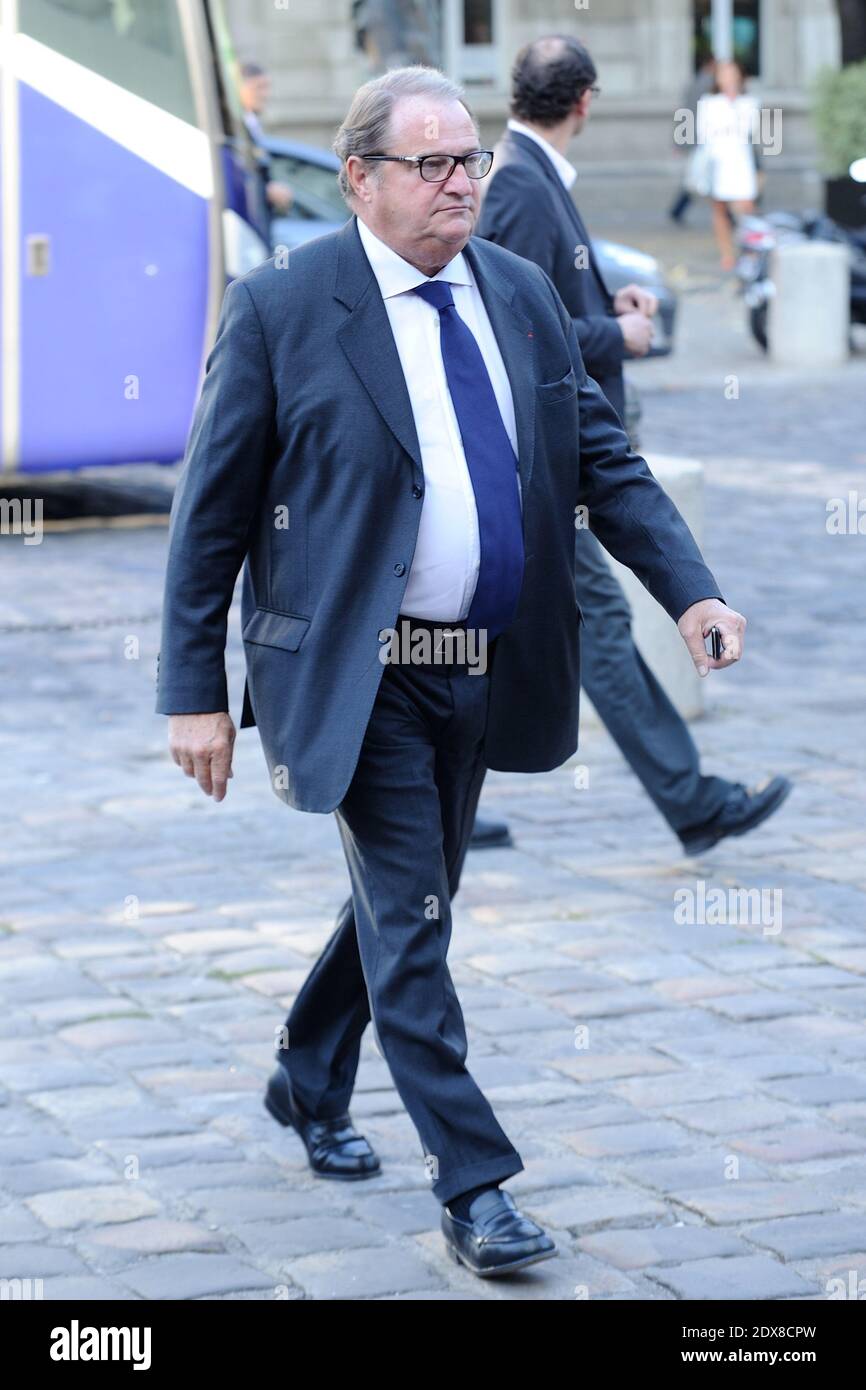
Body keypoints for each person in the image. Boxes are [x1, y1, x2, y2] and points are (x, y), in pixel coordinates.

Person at [156, 65, 747, 1279]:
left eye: (468, 159)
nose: (458, 184)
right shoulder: (280, 306)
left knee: (408, 898)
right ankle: (476, 1188)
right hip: (356, 668)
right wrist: (192, 691)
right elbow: (207, 518)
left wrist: (687, 590)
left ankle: (304, 1075)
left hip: (481, 661)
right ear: (358, 179)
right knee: (415, 929)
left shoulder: (518, 294)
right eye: (429, 164)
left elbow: (602, 460)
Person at [474, 35, 791, 858]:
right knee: (590, 627)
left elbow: (540, 297)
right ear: (587, 101)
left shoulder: (531, 174)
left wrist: (606, 299)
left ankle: (442, 787)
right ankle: (691, 802)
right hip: (537, 461)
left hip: (552, 457)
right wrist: (617, 331)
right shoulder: (517, 180)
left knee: (509, 624)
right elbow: (511, 325)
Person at [696, 59, 759, 271]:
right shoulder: (709, 103)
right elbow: (703, 134)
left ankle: (749, 250)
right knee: (720, 209)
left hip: (741, 161)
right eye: (724, 74)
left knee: (746, 209)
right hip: (718, 162)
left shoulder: (749, 102)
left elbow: (754, 134)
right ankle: (727, 253)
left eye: (732, 74)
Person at [238, 61, 293, 216]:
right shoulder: (235, 128)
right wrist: (266, 191)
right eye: (258, 87)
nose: (265, 94)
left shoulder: (252, 124)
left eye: (267, 87)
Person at [669, 55, 717, 224]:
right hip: (703, 141)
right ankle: (677, 210)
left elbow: (684, 114)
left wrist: (680, 141)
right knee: (697, 179)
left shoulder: (694, 84)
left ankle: (678, 210)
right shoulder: (708, 86)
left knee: (698, 178)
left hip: (696, 139)